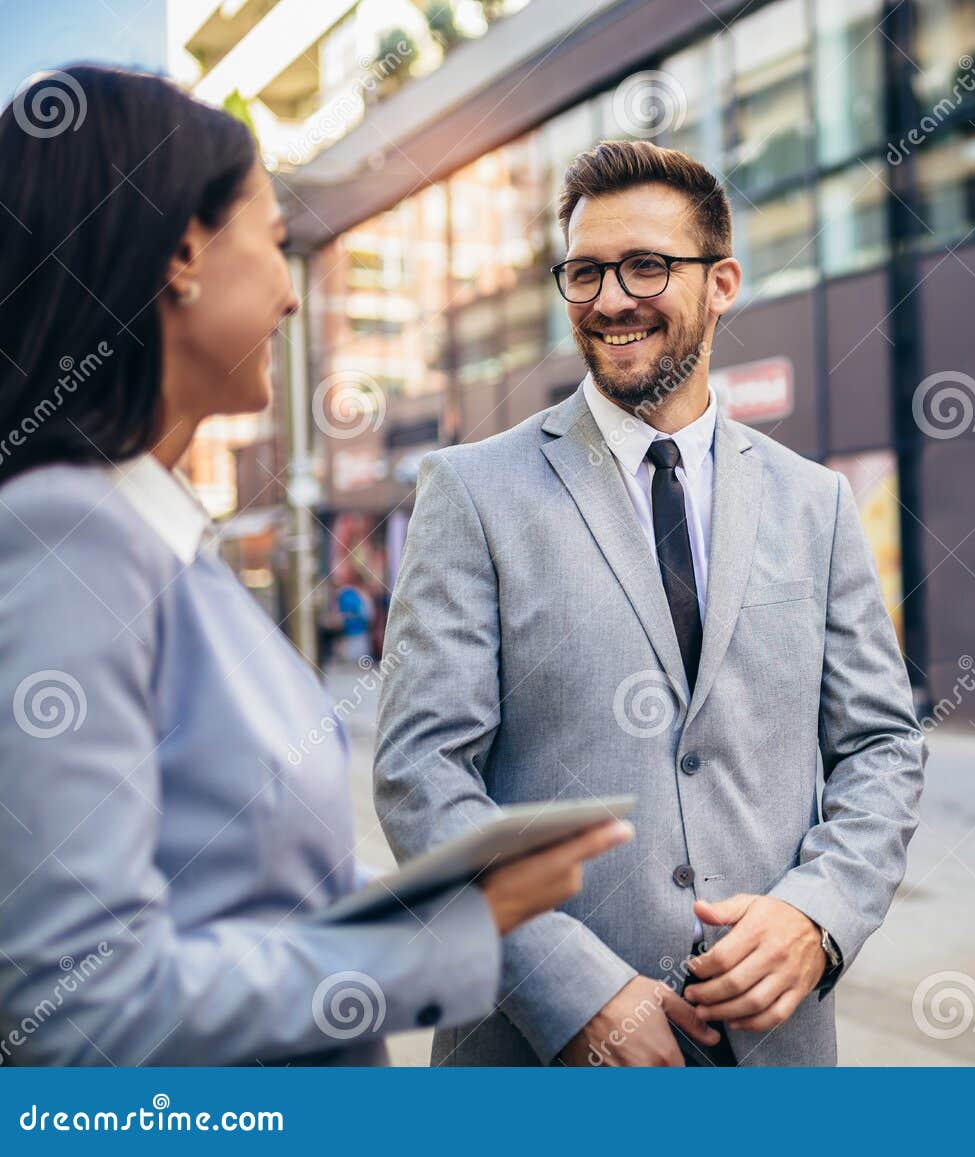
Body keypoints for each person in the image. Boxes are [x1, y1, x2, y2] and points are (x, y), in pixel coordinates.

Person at [0, 65, 631, 1066]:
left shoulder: (170, 547)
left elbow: (228, 909)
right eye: (276, 244)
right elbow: (81, 1010)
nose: (292, 294)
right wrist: (442, 935)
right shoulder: (70, 535)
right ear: (182, 253)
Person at [375, 140, 924, 1067]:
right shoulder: (472, 491)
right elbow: (421, 774)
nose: (610, 299)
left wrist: (816, 916)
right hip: (533, 1057)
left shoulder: (815, 503)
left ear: (722, 283)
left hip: (772, 1054)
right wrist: (571, 988)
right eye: (584, 272)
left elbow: (881, 745)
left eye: (646, 266)